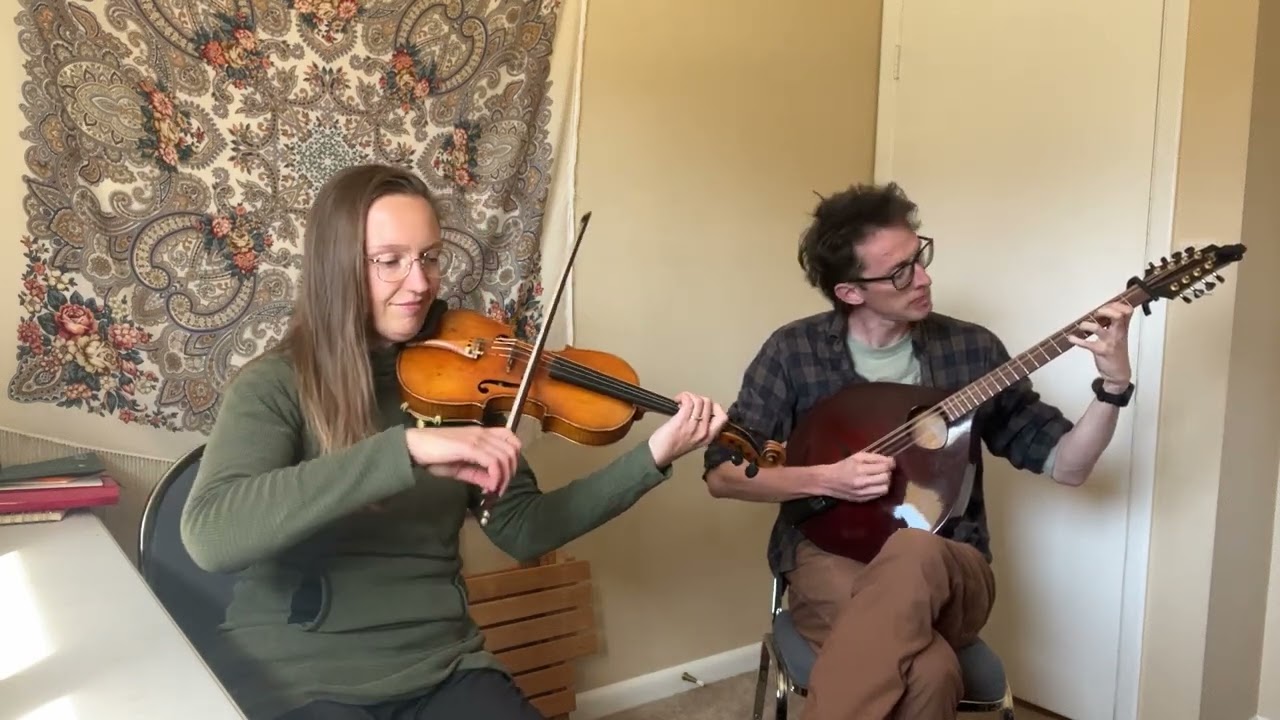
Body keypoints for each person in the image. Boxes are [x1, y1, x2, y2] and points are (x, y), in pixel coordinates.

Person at [180, 162, 729, 720]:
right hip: (301, 677)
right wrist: (408, 449)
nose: (419, 284)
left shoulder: (464, 380)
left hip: (440, 665)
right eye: (390, 261)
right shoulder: (275, 385)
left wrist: (652, 456)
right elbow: (211, 535)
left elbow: (523, 529)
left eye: (430, 257)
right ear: (336, 268)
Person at [702, 182, 1134, 720]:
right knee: (930, 671)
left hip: (950, 562)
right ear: (851, 292)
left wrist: (1113, 386)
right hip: (828, 555)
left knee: (913, 549)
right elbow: (724, 475)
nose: (924, 278)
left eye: (920, 257)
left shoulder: (973, 350)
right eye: (900, 271)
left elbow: (1069, 466)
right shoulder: (794, 352)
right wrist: (827, 479)